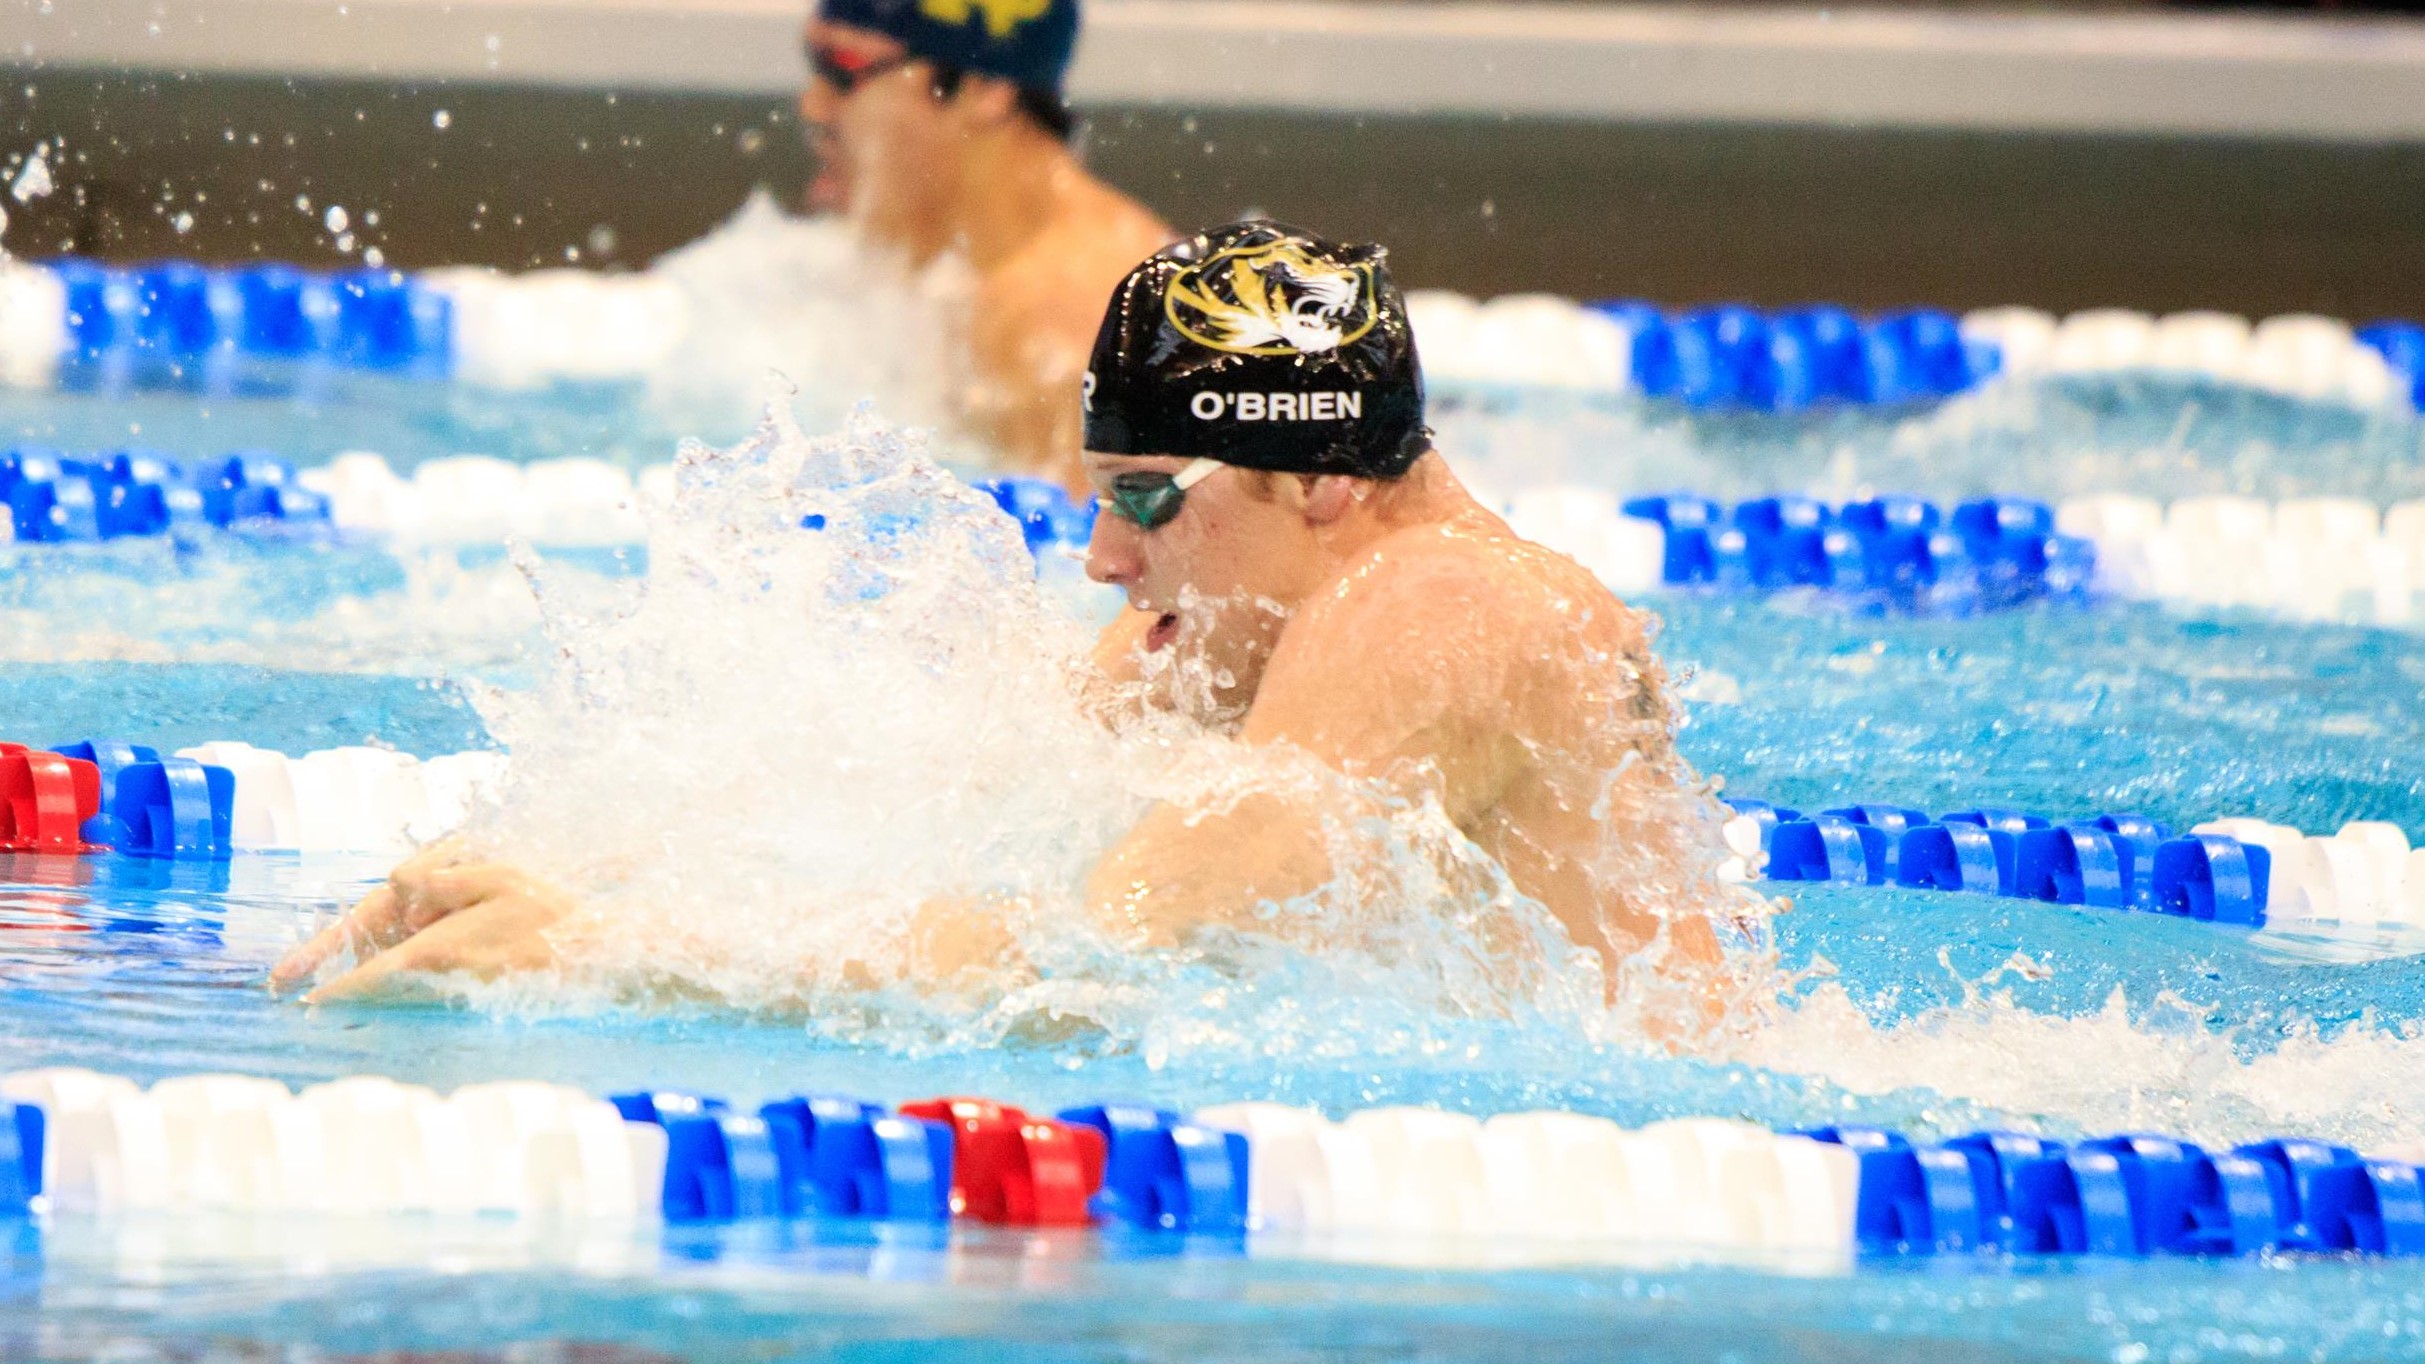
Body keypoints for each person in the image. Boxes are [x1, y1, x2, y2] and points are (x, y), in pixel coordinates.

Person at [273, 222, 1740, 1028]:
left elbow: (1103, 947)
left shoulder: (1450, 613)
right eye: (1102, 500)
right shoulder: (1235, 608)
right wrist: (588, 869)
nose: (1104, 558)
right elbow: (963, 812)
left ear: (1314, 479)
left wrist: (613, 950)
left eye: (1150, 500)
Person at [801, 0, 1171, 489]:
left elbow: (1093, 558)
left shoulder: (1065, 329)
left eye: (844, 72)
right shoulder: (963, 272)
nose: (813, 105)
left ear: (985, 91)